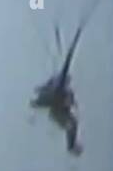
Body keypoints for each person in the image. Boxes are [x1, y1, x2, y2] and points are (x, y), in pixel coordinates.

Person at [31, 26, 84, 155]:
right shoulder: (58, 84)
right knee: (72, 122)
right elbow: (48, 91)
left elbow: (66, 97)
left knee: (72, 123)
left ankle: (71, 145)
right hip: (55, 106)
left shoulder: (62, 87)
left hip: (57, 107)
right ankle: (71, 146)